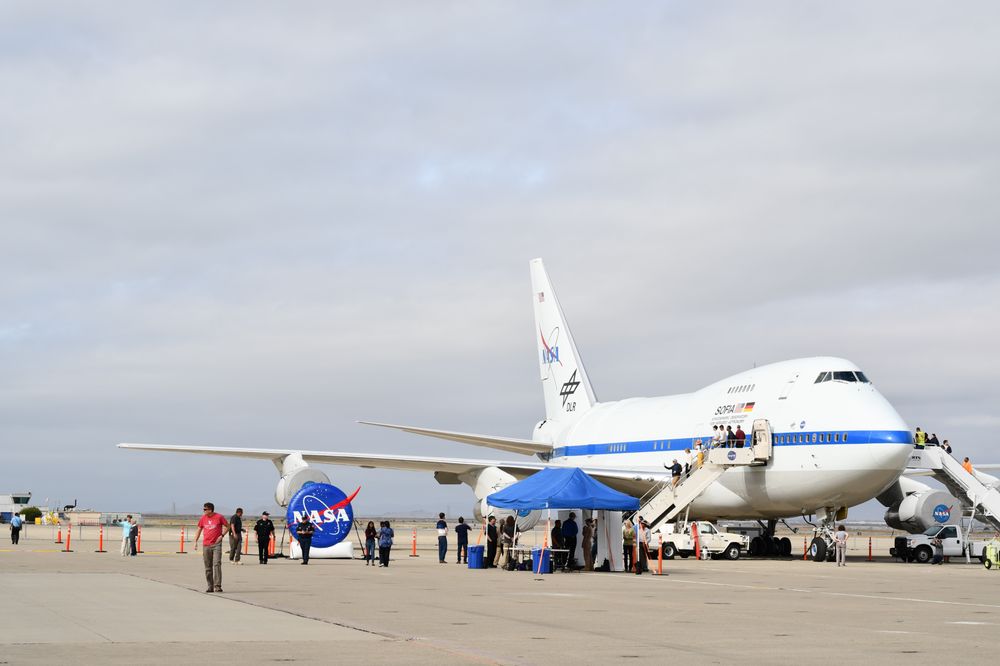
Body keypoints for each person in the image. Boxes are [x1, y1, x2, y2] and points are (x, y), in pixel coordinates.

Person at [193, 502, 231, 593]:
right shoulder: (203, 518)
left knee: (217, 563)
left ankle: (217, 586)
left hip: (216, 544)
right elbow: (199, 530)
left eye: (205, 509)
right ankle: (210, 586)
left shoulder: (219, 517)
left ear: (210, 510)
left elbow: (228, 526)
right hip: (206, 545)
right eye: (203, 509)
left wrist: (222, 535)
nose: (204, 511)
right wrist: (195, 541)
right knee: (208, 567)